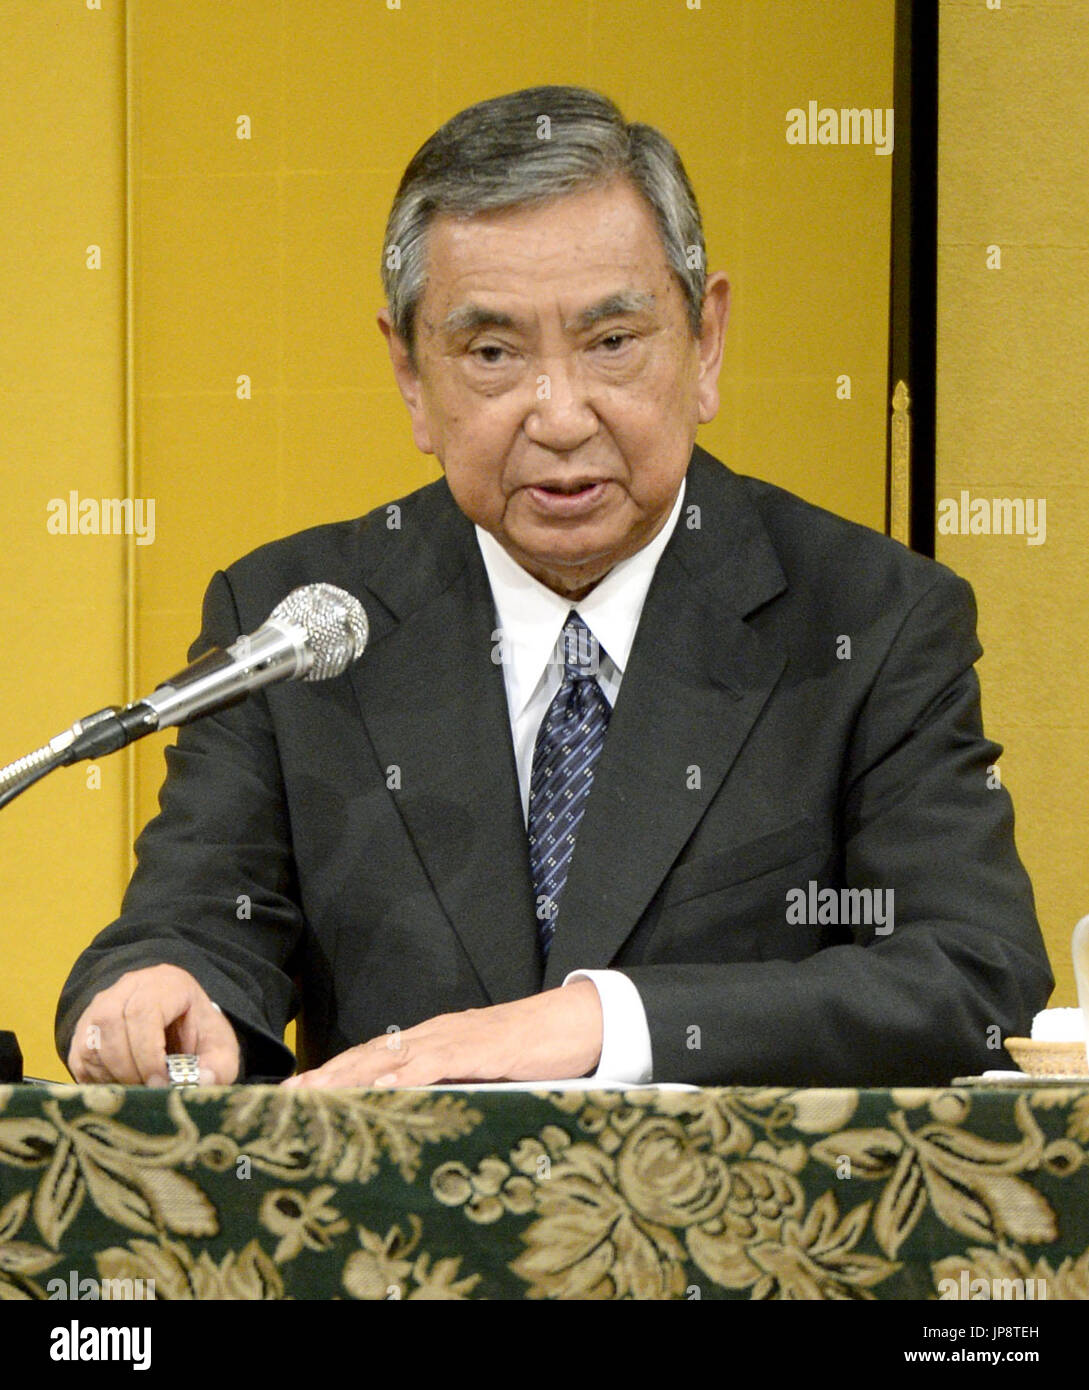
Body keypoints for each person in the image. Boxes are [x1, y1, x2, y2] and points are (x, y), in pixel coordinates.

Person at [57, 86, 1052, 1090]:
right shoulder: (298, 623)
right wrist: (160, 991)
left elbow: (971, 974)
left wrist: (598, 1020)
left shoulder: (869, 618)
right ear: (410, 375)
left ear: (706, 341)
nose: (561, 414)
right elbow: (194, 926)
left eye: (612, 343)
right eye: (492, 354)